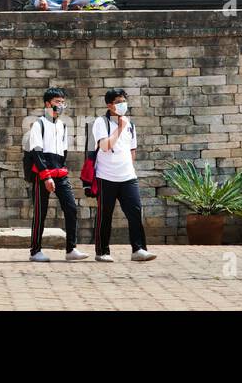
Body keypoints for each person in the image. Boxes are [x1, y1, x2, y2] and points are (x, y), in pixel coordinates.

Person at [24, 88, 89, 263]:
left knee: (71, 208)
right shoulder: (39, 124)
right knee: (40, 212)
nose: (60, 105)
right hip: (42, 174)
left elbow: (63, 151)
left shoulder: (62, 125)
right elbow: (37, 151)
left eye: (62, 102)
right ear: (47, 104)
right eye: (57, 101)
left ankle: (71, 249)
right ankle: (35, 251)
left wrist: (60, 171)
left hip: (60, 173)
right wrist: (46, 176)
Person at [92, 88, 156, 263]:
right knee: (105, 215)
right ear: (109, 105)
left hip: (127, 177)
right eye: (118, 102)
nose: (122, 105)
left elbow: (132, 150)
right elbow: (105, 146)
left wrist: (128, 167)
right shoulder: (101, 123)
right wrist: (120, 127)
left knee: (135, 212)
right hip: (106, 177)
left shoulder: (131, 124)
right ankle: (102, 251)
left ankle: (139, 249)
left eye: (124, 101)